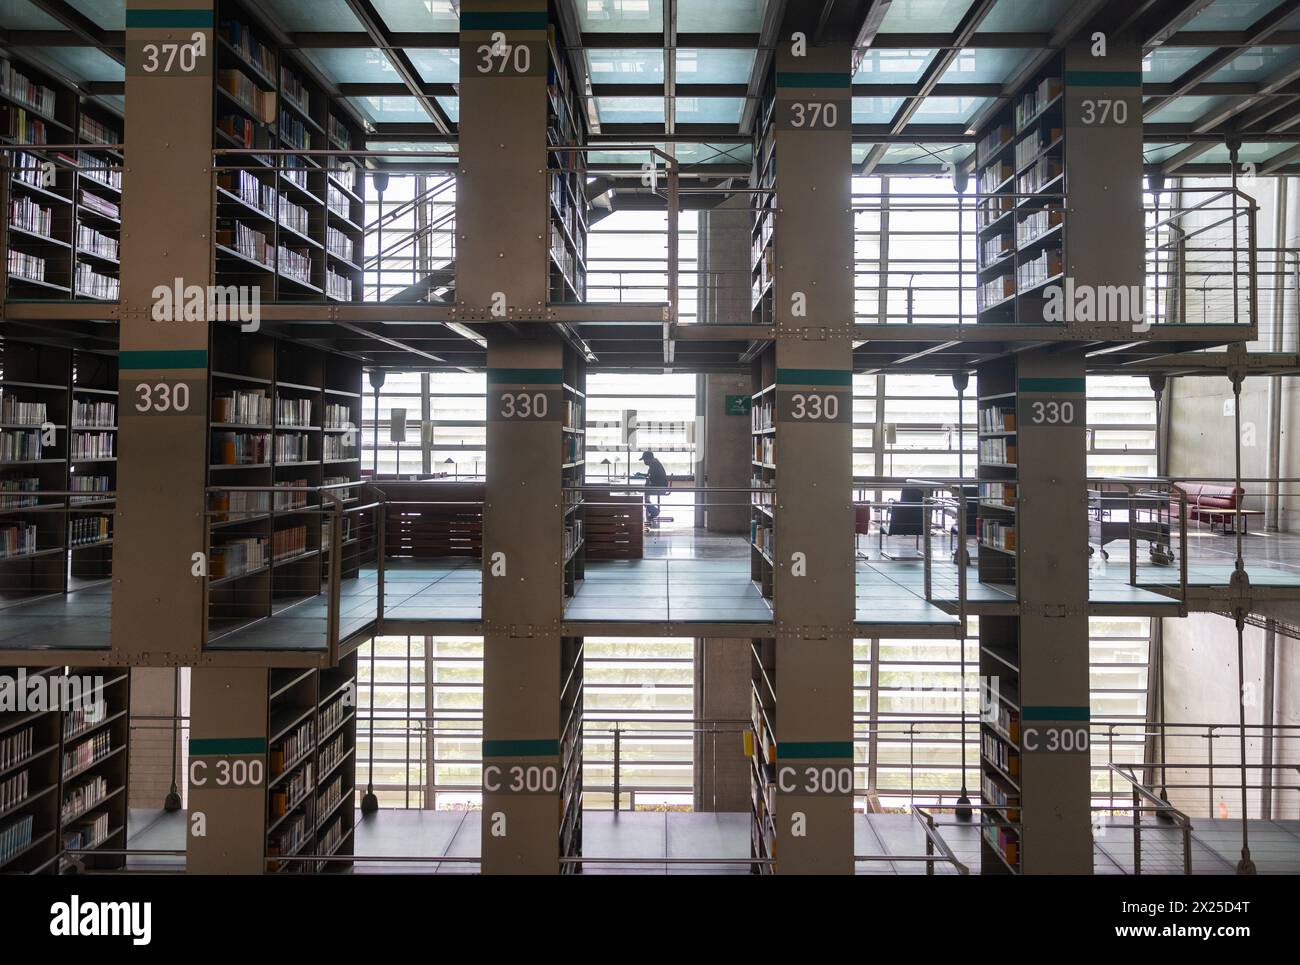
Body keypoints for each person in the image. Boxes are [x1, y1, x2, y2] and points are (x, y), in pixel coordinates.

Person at [641, 450, 668, 522]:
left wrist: (644, 478)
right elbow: (651, 477)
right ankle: (651, 510)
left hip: (659, 488)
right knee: (642, 493)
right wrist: (642, 475)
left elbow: (651, 478)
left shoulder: (654, 465)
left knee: (640, 494)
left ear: (648, 459)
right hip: (660, 486)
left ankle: (654, 511)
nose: (644, 462)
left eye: (644, 460)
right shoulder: (655, 463)